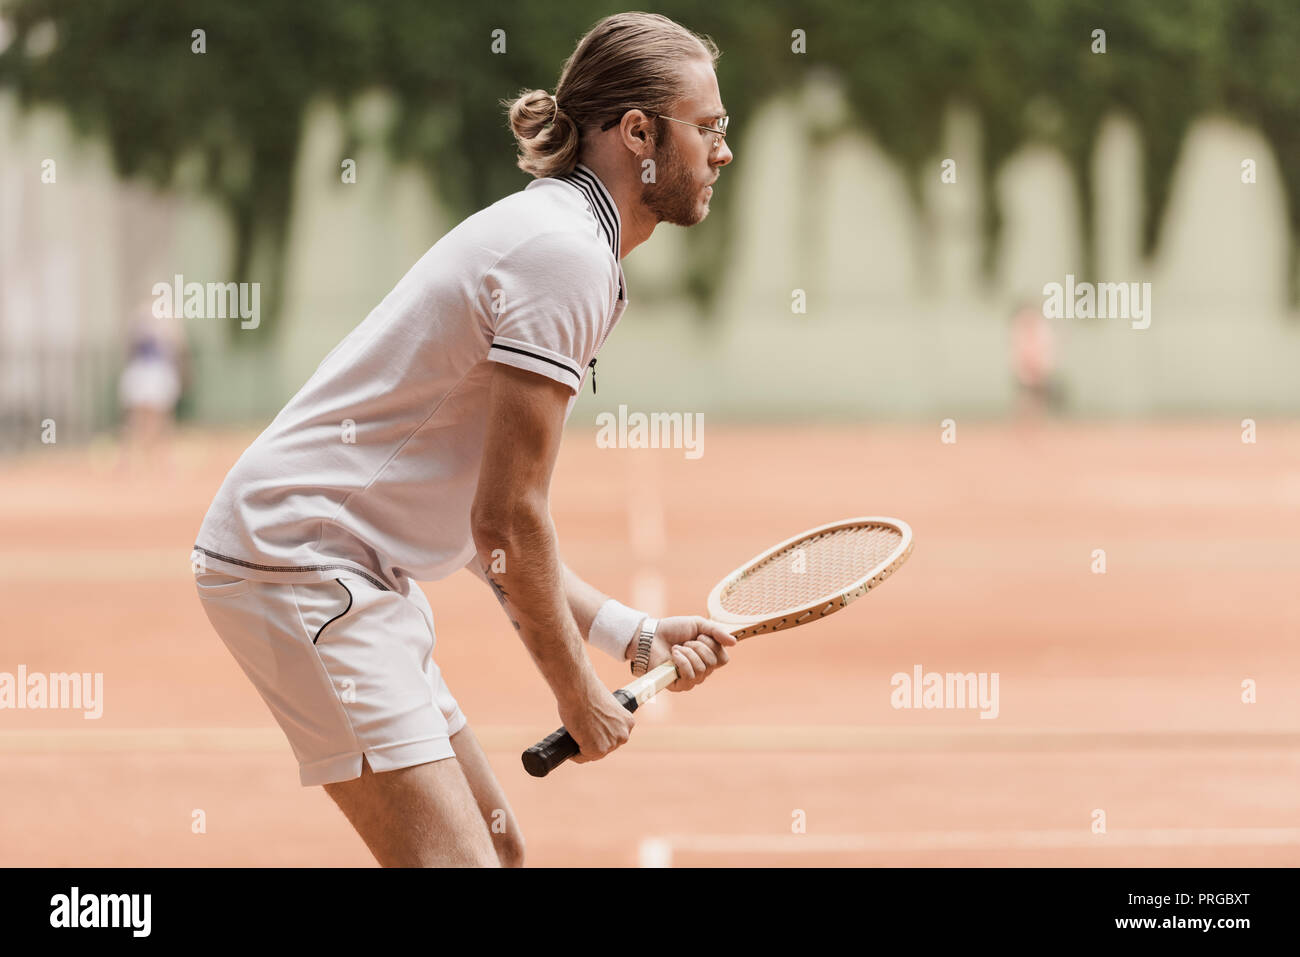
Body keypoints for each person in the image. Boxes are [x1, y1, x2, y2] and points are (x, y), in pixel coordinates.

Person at [191, 12, 735, 867]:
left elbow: (484, 525)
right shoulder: (565, 256)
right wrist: (579, 696)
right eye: (709, 127)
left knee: (498, 851)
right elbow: (508, 523)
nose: (722, 151)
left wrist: (632, 637)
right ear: (639, 133)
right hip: (298, 559)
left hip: (352, 566)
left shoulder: (567, 240)